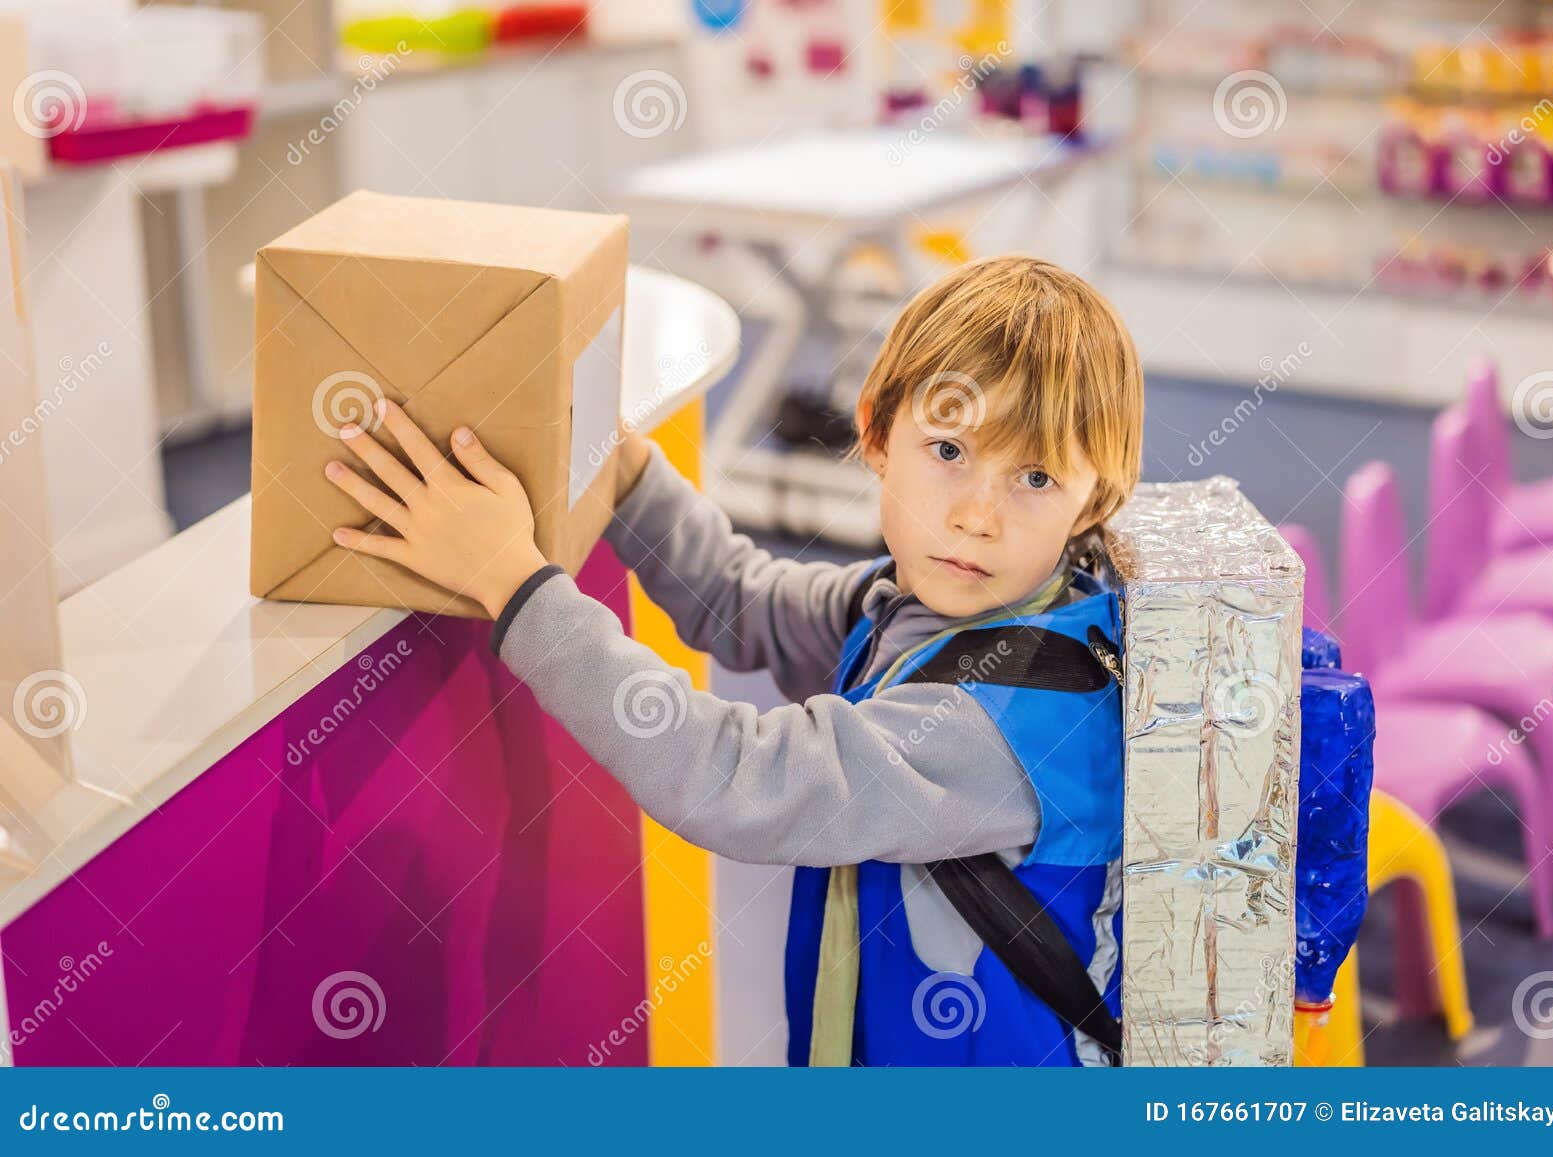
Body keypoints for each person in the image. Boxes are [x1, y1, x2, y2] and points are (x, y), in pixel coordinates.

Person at [322, 255, 1145, 1066]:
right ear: (876, 434)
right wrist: (624, 472)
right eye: (950, 451)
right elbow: (743, 601)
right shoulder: (910, 609)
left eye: (1035, 477)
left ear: (1094, 503)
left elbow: (739, 778)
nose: (977, 516)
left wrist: (513, 584)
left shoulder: (1011, 721)